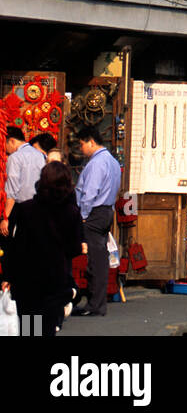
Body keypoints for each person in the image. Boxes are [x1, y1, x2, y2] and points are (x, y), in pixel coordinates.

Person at [0, 161, 83, 337]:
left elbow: (14, 246)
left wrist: (8, 275)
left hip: (27, 280)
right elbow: (74, 248)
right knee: (47, 327)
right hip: (54, 280)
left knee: (31, 328)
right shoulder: (72, 213)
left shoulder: (25, 209)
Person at [71, 126, 122, 319]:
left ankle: (94, 304)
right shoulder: (112, 162)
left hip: (94, 212)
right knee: (99, 259)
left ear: (91, 142)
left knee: (95, 260)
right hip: (106, 211)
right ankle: (97, 303)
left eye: (82, 144)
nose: (81, 148)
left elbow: (89, 192)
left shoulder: (96, 163)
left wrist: (82, 215)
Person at [2, 126, 45, 236]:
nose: (3, 148)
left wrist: (5, 217)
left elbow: (12, 191)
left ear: (12, 141)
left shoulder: (15, 158)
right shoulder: (40, 155)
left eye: (3, 144)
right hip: (39, 208)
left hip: (20, 210)